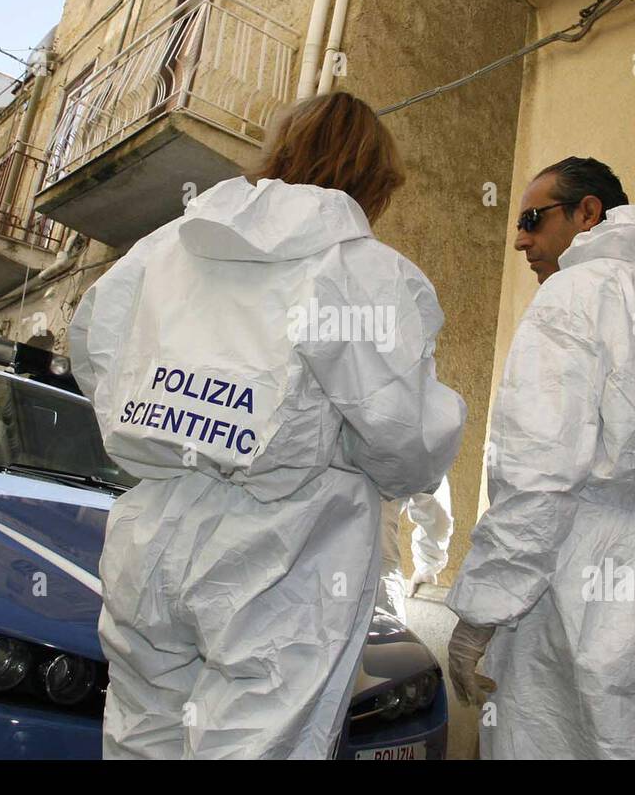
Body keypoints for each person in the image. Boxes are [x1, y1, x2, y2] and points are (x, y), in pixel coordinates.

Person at [68, 91, 465, 759]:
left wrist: (173, 423)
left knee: (142, 740)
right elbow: (407, 447)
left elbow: (93, 345)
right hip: (283, 556)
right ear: (374, 186)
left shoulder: (169, 245)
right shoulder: (365, 272)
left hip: (153, 532)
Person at [445, 156, 635, 759]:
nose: (522, 238)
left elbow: (539, 475)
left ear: (588, 213)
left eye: (533, 217)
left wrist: (481, 610)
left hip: (587, 585)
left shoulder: (573, 295)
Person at [375, 476, 455, 622]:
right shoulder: (412, 454)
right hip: (377, 586)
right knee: (381, 640)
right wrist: (427, 564)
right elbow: (438, 520)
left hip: (323, 587)